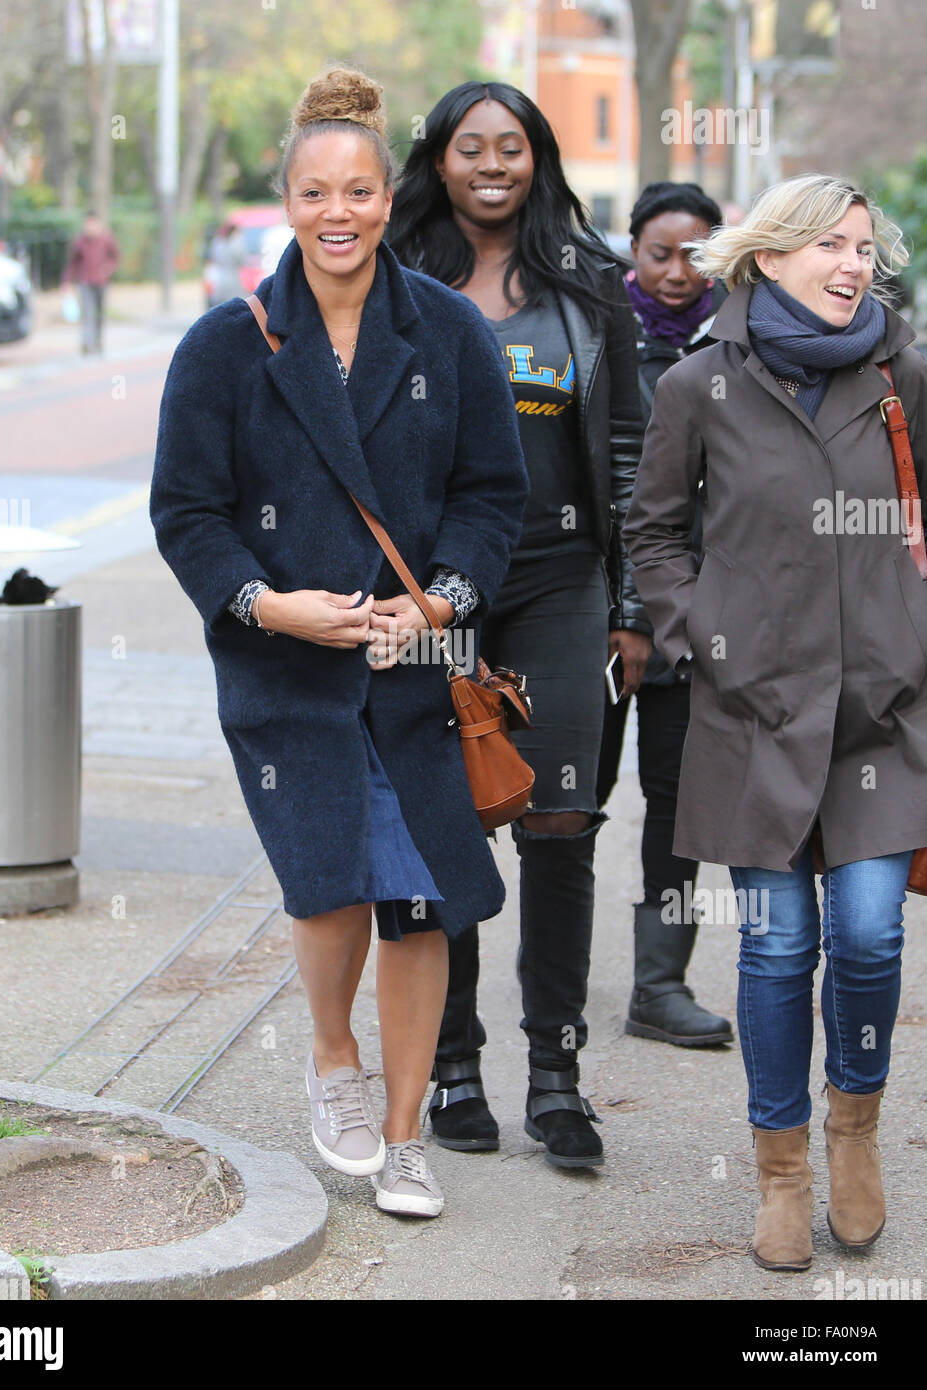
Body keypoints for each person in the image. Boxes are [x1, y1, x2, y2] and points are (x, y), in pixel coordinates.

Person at [150, 68, 527, 1220]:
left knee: (420, 899)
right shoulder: (229, 342)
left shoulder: (449, 329)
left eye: (359, 189)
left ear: (387, 195)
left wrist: (436, 605)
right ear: (289, 201)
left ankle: (408, 1136)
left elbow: (490, 497)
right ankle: (332, 1058)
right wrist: (269, 605)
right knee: (328, 888)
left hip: (413, 667)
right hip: (285, 671)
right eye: (316, 191)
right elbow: (186, 515)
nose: (339, 212)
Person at [623, 173, 927, 1269]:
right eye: (831, 248)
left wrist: (911, 634)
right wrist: (702, 637)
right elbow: (652, 533)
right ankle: (781, 1172)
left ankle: (855, 1133)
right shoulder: (698, 385)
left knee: (868, 931)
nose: (855, 267)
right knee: (777, 943)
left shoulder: (903, 377)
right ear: (768, 258)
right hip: (751, 717)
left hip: (881, 717)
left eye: (863, 249)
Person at [388, 81, 651, 1169]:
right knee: (445, 825)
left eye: (512, 148)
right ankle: (452, 1064)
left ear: (538, 161)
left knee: (559, 819)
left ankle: (556, 1077)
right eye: (470, 147)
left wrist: (632, 608)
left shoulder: (591, 287)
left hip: (557, 579)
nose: (492, 164)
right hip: (437, 587)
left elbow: (630, 453)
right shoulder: (393, 278)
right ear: (439, 161)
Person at [595, 181, 733, 1047]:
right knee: (571, 801)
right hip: (599, 618)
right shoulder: (603, 339)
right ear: (632, 253)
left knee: (679, 805)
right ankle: (554, 987)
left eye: (695, 253)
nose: (677, 271)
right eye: (659, 252)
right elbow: (608, 493)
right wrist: (625, 610)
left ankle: (659, 985)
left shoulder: (746, 344)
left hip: (699, 615)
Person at [63, 211, 119, 354]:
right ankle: (88, 344)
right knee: (88, 314)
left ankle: (98, 342)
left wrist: (108, 269)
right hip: (85, 281)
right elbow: (73, 262)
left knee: (99, 314)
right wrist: (67, 281)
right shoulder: (80, 242)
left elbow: (115, 257)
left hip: (101, 282)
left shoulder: (106, 239)